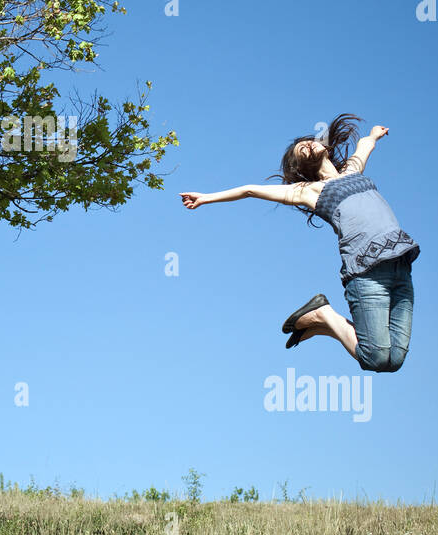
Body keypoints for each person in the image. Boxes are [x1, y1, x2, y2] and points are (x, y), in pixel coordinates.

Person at [178, 114, 419, 373]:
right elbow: (250, 190)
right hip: (367, 272)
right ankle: (324, 314)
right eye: (300, 150)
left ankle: (321, 324)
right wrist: (206, 198)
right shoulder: (308, 191)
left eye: (307, 143)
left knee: (394, 362)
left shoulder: (352, 171)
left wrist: (372, 135)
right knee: (375, 358)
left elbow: (364, 147)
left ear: (325, 148)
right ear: (302, 166)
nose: (307, 146)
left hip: (401, 266)